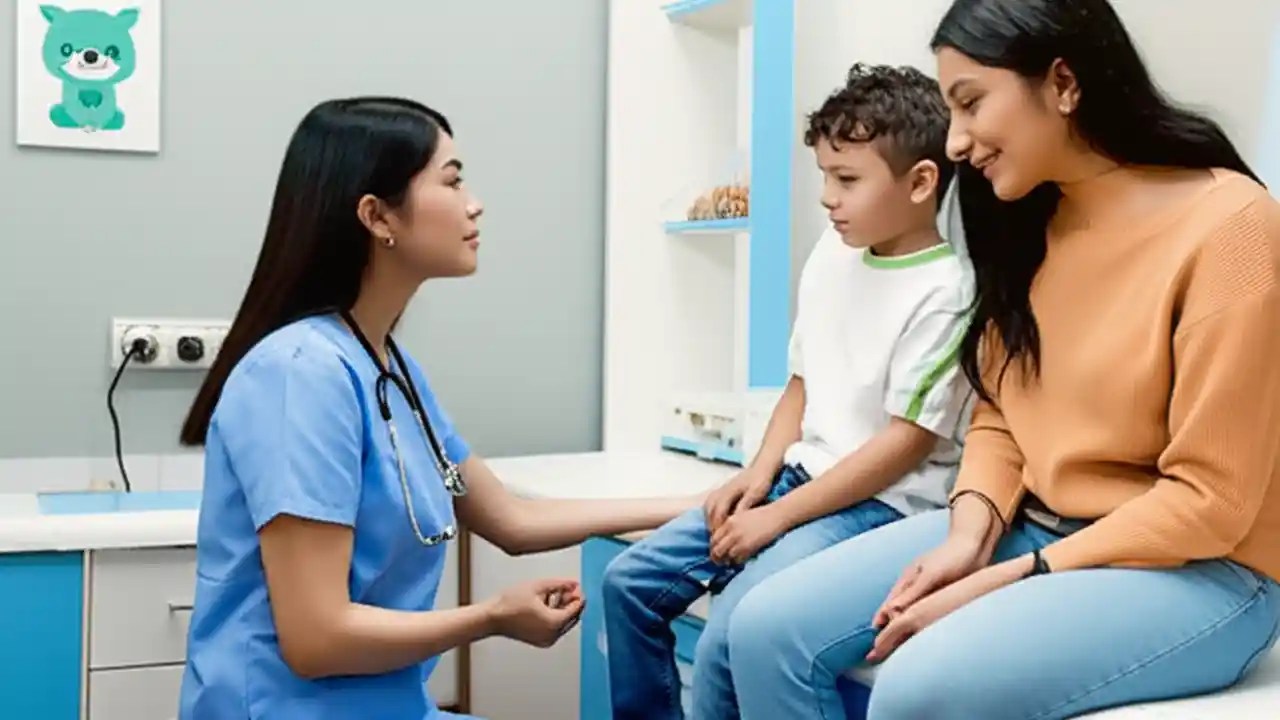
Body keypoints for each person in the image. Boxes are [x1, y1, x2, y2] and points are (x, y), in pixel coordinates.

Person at [723, 1, 1280, 718]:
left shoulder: (1231, 226)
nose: (955, 141)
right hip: (1037, 523)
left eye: (970, 103)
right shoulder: (1027, 222)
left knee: (917, 690)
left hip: (1203, 569)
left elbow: (1212, 505)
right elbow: (1000, 410)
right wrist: (969, 534)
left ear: (1063, 84)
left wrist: (1012, 575)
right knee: (763, 632)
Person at [175, 97, 703, 720]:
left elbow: (510, 519)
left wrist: (711, 506)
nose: (474, 203)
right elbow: (316, 639)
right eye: (452, 180)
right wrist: (491, 618)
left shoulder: (388, 368)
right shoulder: (299, 376)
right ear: (376, 216)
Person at [601, 63, 975, 720]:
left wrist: (777, 518)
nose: (828, 198)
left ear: (921, 182)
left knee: (725, 639)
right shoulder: (833, 255)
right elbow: (801, 383)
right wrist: (759, 473)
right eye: (825, 177)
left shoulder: (947, 292)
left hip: (878, 508)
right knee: (629, 583)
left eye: (848, 180)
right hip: (796, 479)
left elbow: (904, 445)